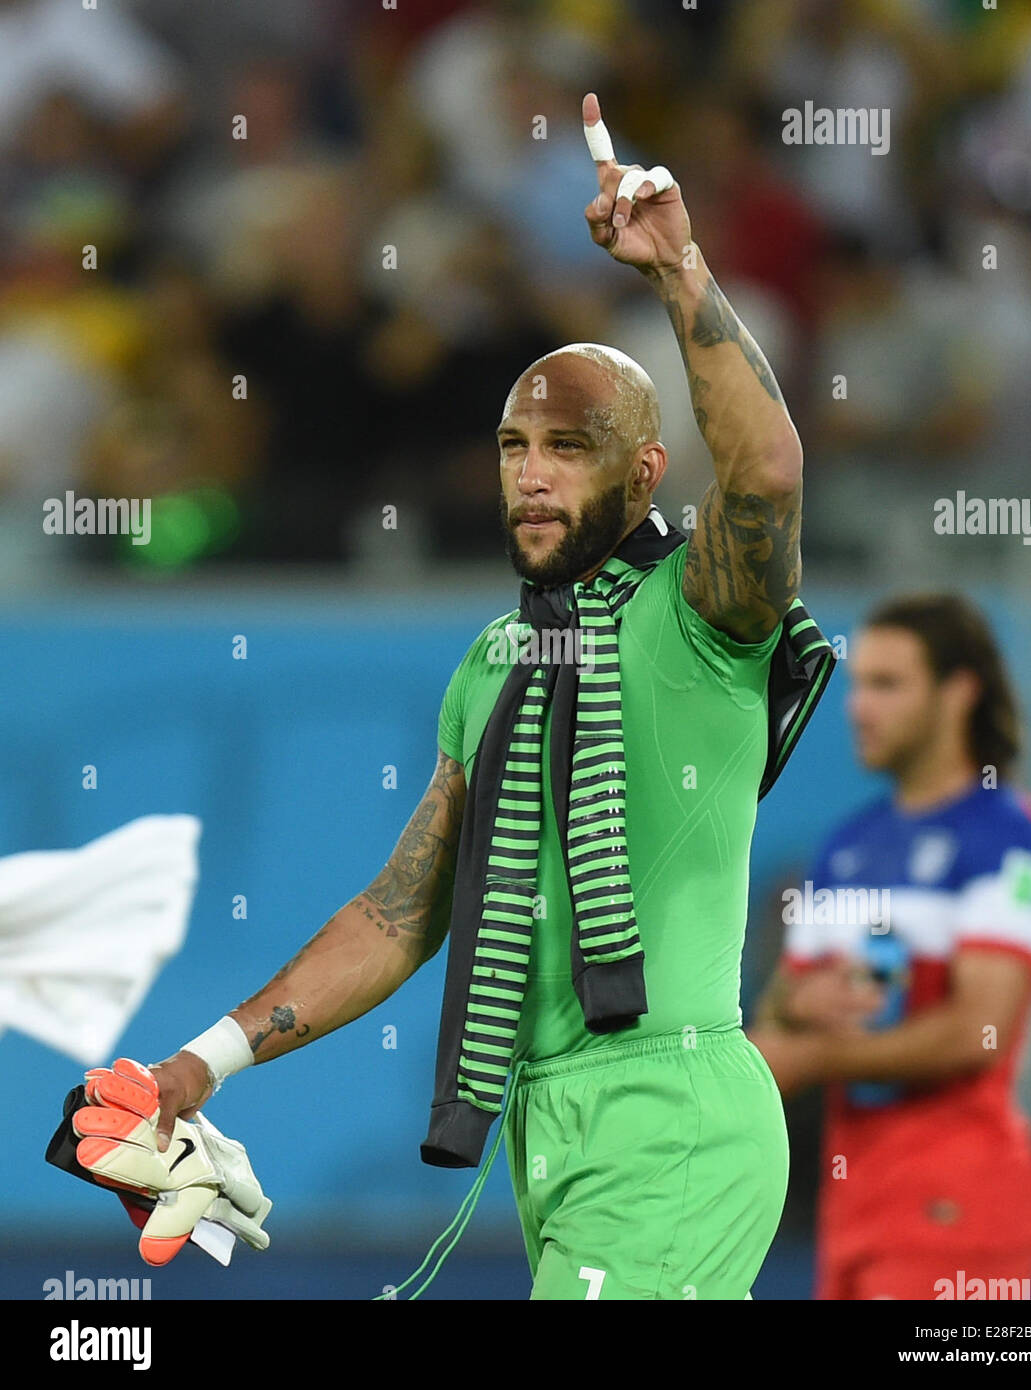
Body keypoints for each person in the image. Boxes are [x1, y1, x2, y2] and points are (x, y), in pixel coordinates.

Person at [145, 92, 832, 1300]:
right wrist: (205, 1062)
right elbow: (404, 912)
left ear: (644, 471)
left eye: (568, 447)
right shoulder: (494, 662)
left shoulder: (701, 612)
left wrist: (677, 265)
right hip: (555, 1125)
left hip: (671, 1112)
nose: (530, 473)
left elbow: (769, 471)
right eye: (516, 445)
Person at [749, 594, 1031, 1301]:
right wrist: (801, 1006)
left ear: (958, 693)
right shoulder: (844, 846)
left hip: (960, 1214)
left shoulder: (1007, 838)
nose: (858, 706)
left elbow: (976, 1033)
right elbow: (771, 1026)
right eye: (857, 682)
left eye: (887, 684)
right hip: (852, 1212)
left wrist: (815, 1051)